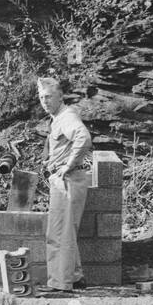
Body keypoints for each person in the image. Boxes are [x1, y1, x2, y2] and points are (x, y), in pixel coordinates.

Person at [38, 76, 93, 292]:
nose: (45, 101)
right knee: (64, 232)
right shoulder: (58, 118)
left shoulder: (67, 117)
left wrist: (67, 166)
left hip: (68, 180)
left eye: (49, 96)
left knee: (60, 234)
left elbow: (83, 138)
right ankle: (75, 276)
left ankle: (61, 284)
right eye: (42, 97)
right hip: (65, 180)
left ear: (60, 96)